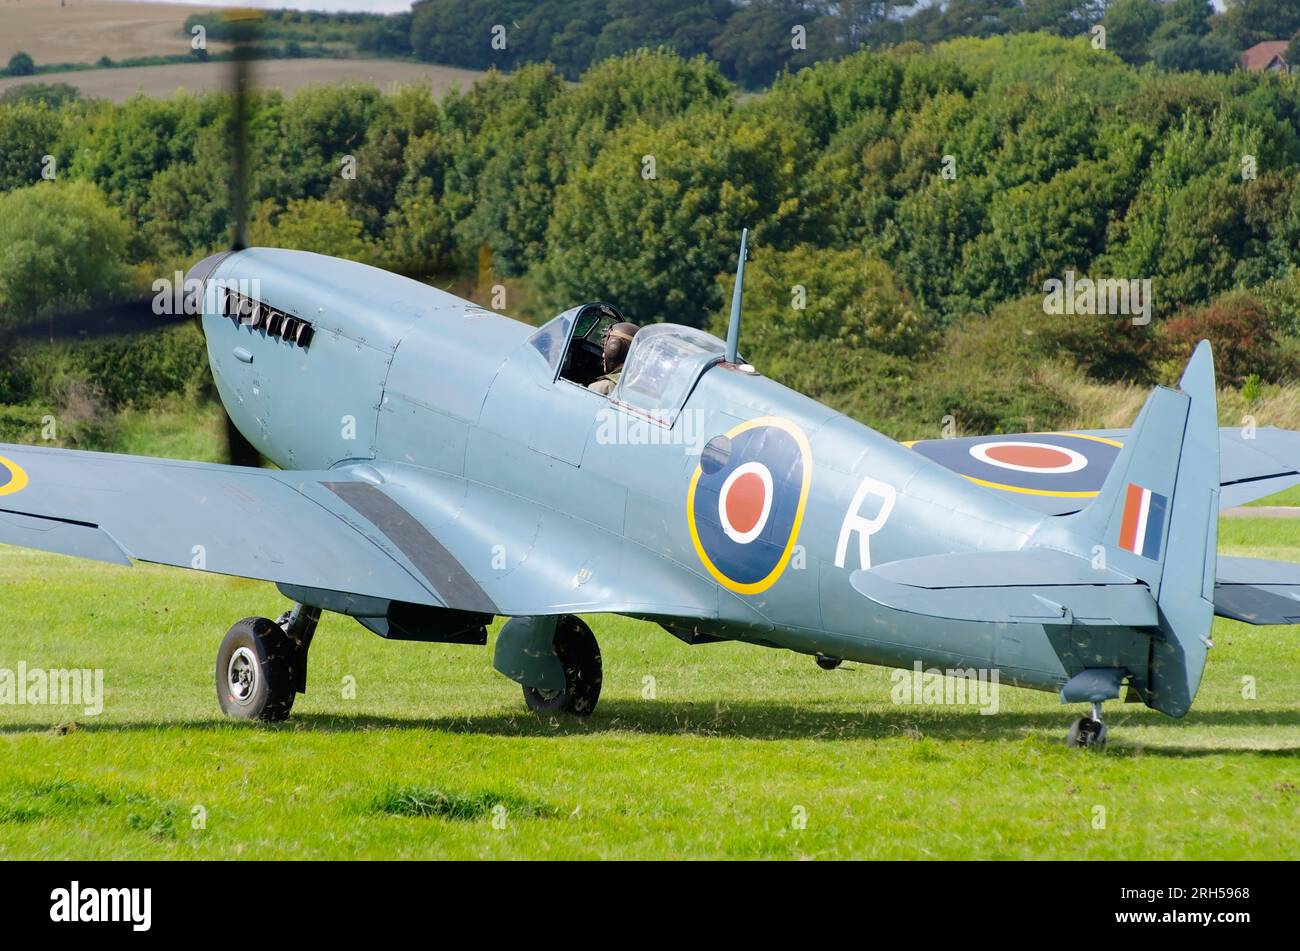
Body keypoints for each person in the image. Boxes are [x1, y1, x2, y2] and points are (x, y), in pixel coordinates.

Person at [588, 322, 638, 395]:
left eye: (605, 348)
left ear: (615, 349)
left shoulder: (604, 387)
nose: (603, 355)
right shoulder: (645, 388)